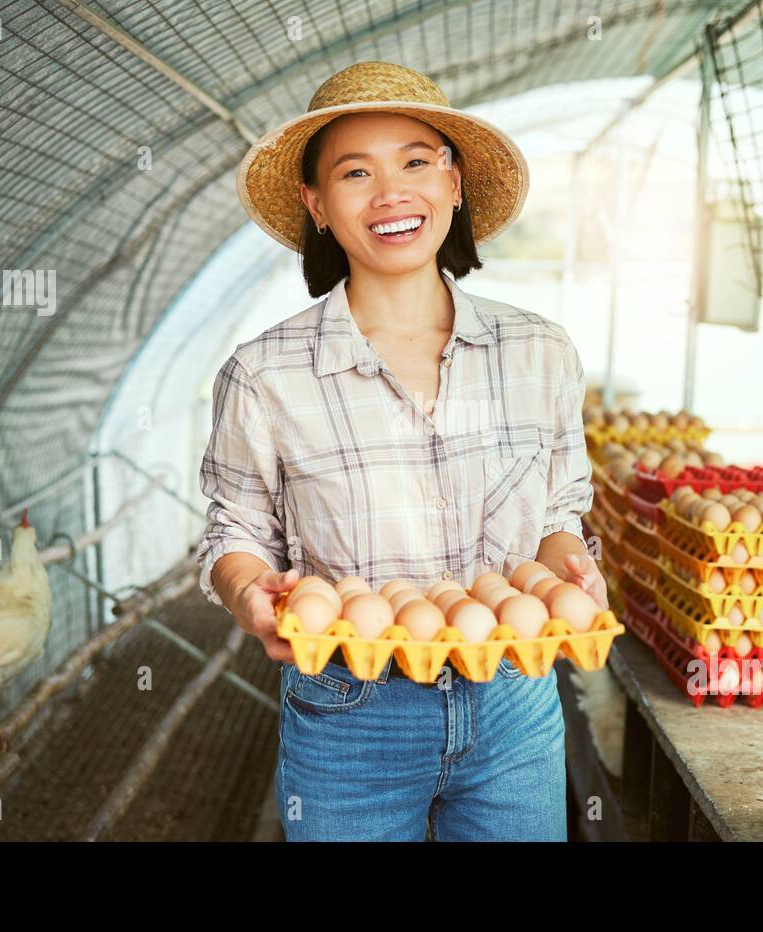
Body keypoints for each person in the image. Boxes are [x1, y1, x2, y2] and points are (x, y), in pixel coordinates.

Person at [197, 60, 606, 841]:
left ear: (454, 184)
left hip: (514, 698)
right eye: (356, 172)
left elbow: (559, 512)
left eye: (417, 161)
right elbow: (235, 531)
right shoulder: (265, 374)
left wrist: (564, 573)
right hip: (350, 710)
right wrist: (252, 595)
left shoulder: (540, 351)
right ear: (317, 205)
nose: (391, 193)